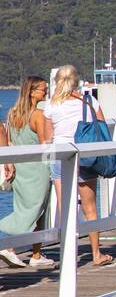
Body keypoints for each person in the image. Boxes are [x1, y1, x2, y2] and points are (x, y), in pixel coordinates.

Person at [45, 65, 112, 266]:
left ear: (57, 81)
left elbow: (49, 136)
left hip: (60, 156)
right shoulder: (90, 101)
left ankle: (68, 255)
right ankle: (96, 254)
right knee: (90, 207)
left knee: (65, 207)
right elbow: (101, 126)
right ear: (77, 82)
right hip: (85, 155)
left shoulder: (51, 105)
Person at [0, 76, 54, 269]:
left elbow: (7, 138)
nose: (46, 92)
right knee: (35, 210)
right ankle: (11, 247)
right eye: (43, 89)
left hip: (20, 168)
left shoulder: (12, 113)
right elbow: (45, 143)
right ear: (32, 91)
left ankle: (36, 254)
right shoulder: (38, 115)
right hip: (37, 169)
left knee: (30, 209)